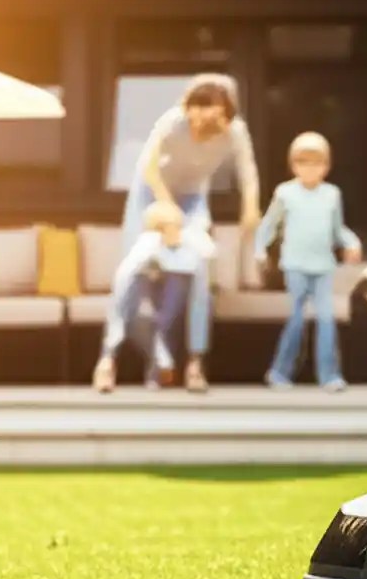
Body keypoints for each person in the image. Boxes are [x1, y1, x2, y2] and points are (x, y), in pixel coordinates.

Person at [94, 73, 261, 393]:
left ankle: (188, 363)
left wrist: (251, 210)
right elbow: (150, 168)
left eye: (210, 123)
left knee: (194, 271)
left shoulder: (235, 132)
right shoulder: (172, 121)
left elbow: (248, 175)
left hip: (193, 197)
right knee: (136, 273)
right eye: (195, 119)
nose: (199, 129)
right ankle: (108, 357)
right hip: (152, 194)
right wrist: (168, 212)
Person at [253, 131, 363, 392]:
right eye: (303, 162)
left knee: (326, 319)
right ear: (294, 165)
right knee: (296, 318)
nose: (310, 169)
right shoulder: (285, 193)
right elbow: (268, 225)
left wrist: (352, 242)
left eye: (317, 163)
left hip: (323, 265)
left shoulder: (331, 194)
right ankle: (280, 372)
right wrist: (259, 249)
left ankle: (330, 375)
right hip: (295, 264)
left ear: (326, 166)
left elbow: (338, 230)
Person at [92, 201, 209, 392]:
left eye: (177, 227)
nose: (174, 232)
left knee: (179, 298)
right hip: (143, 301)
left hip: (175, 305)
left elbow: (200, 301)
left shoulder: (191, 249)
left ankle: (188, 366)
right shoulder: (146, 245)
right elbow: (122, 289)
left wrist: (196, 354)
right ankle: (108, 361)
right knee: (131, 301)